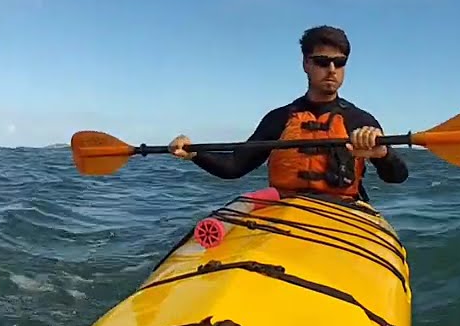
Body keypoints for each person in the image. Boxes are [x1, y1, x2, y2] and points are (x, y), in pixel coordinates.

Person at [168, 25, 409, 203]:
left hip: (344, 212)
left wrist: (382, 154)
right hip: (286, 209)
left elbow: (397, 177)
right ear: (306, 64)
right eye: (322, 62)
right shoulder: (279, 119)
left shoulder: (360, 121)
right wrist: (194, 151)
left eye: (340, 62)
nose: (332, 70)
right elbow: (234, 167)